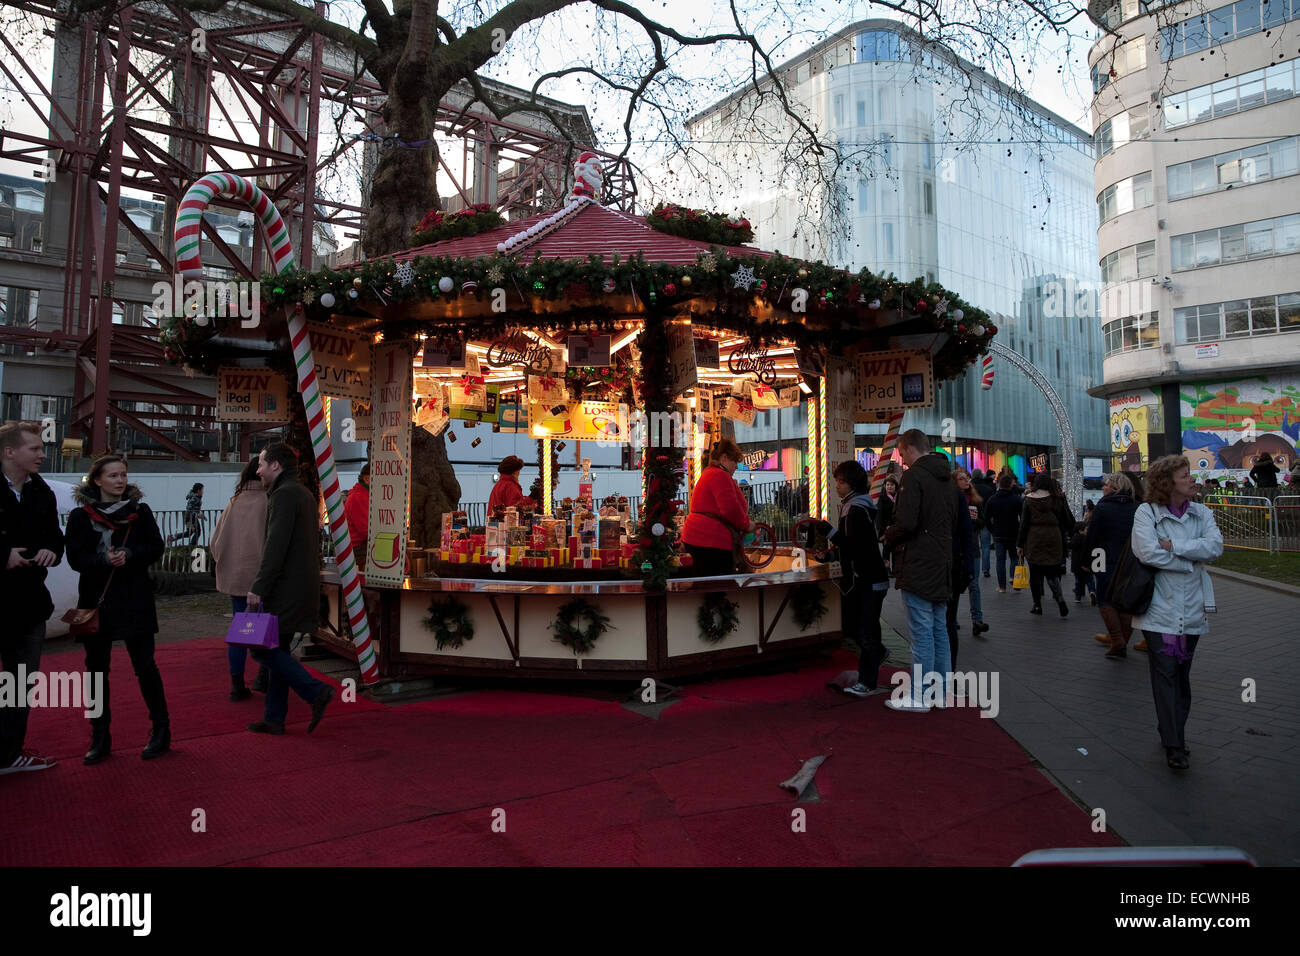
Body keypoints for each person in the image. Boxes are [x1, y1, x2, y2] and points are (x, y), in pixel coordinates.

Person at [65, 455, 170, 763]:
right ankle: (99, 735)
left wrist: (129, 553)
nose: (120, 480)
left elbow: (155, 547)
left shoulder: (140, 511)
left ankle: (161, 730)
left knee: (145, 666)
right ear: (97, 480)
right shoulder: (80, 516)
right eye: (113, 475)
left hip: (135, 598)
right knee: (96, 672)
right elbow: (75, 558)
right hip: (98, 600)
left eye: (123, 475)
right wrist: (102, 560)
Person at [1130, 455, 1223, 770]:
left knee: (1181, 676)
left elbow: (1214, 547)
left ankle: (1171, 729)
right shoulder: (1147, 513)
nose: (1193, 479)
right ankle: (1175, 743)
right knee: (1166, 673)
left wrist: (1175, 547)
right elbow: (1147, 551)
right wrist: (1189, 560)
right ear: (1167, 483)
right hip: (1159, 609)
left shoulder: (1202, 513)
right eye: (1186, 475)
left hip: (1193, 609)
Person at [246, 442, 334, 735]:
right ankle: (274, 716)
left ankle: (315, 691)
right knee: (277, 647)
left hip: (284, 588)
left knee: (261, 649)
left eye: (261, 464)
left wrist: (259, 585)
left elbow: (276, 545)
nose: (257, 470)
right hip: (300, 584)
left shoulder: (283, 495)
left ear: (275, 465)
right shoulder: (302, 493)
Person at [0, 421, 63, 775]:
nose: (42, 454)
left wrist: (51, 552)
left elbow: (54, 536)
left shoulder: (41, 491)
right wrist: (3, 555)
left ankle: (8, 755)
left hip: (28, 604)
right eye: (34, 449)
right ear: (10, 452)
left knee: (20, 684)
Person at [881, 430, 955, 712]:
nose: (900, 459)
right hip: (941, 562)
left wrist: (889, 534)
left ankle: (920, 695)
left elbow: (907, 523)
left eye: (900, 452)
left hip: (918, 563)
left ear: (909, 448)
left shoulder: (913, 477)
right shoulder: (947, 478)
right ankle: (942, 692)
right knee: (939, 630)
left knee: (922, 633)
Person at [814, 461, 889, 697]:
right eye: (837, 481)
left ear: (851, 483)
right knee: (856, 626)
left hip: (866, 578)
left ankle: (868, 680)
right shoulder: (856, 506)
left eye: (841, 481)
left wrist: (828, 532)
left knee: (865, 629)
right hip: (865, 578)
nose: (836, 486)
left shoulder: (855, 509)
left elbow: (855, 546)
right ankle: (875, 656)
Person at [210, 458, 271, 700]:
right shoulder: (270, 501)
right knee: (269, 629)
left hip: (236, 577)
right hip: (262, 578)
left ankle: (236, 683)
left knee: (240, 630)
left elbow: (216, 541)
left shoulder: (234, 501)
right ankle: (264, 676)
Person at [1087, 472, 1140, 659]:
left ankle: (1117, 639)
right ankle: (1123, 639)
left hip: (1103, 557)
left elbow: (1092, 538)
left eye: (1106, 485)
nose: (1103, 488)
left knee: (1105, 599)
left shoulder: (1102, 508)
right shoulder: (1137, 507)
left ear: (1114, 487)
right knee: (1125, 600)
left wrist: (1088, 562)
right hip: (1131, 559)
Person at [681, 439, 752, 576]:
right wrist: (747, 525)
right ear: (724, 458)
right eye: (735, 461)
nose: (736, 466)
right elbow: (730, 509)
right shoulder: (720, 476)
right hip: (712, 543)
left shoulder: (709, 474)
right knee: (718, 587)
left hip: (698, 540)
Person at [1017, 474, 1076, 616]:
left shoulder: (1029, 499)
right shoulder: (1057, 498)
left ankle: (1037, 605)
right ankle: (1060, 599)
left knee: (1035, 573)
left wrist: (1020, 544)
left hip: (1034, 537)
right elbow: (1068, 521)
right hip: (1053, 536)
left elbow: (1024, 524)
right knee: (1052, 571)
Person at [946, 468, 985, 667]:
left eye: (967, 478)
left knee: (974, 584)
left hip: (972, 548)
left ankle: (977, 619)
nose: (966, 481)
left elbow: (983, 522)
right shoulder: (951, 500)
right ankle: (956, 618)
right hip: (960, 551)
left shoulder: (975, 500)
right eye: (961, 479)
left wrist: (974, 521)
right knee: (958, 590)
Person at [983, 473, 1022, 592]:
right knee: (1014, 558)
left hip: (998, 533)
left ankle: (1002, 586)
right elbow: (1022, 517)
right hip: (1013, 532)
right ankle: (1014, 579)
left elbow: (986, 518)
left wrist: (992, 530)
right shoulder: (1016, 499)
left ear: (999, 484)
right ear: (1011, 485)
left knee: (1000, 560)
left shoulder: (992, 499)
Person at [344, 463, 370, 570]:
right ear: (367, 479)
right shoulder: (358, 497)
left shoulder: (363, 495)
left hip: (362, 546)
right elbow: (365, 530)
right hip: (358, 548)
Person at [1070, 505, 1097, 606]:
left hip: (1077, 566)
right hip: (1086, 564)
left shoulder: (1074, 539)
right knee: (1090, 580)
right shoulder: (1087, 540)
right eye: (1086, 529)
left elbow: (1070, 546)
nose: (1087, 530)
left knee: (1078, 581)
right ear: (1081, 530)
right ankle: (1092, 591)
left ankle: (1078, 596)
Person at [971, 469, 996, 577]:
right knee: (985, 546)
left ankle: (973, 567)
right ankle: (985, 569)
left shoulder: (970, 488)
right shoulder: (988, 489)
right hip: (985, 519)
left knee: (973, 544)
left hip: (972, 520)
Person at [874, 474, 900, 569]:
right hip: (885, 528)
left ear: (896, 486)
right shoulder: (882, 498)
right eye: (888, 485)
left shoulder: (898, 498)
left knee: (895, 548)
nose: (889, 487)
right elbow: (879, 514)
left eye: (892, 485)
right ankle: (886, 567)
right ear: (885, 486)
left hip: (896, 527)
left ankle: (895, 568)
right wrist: (882, 527)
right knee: (886, 548)